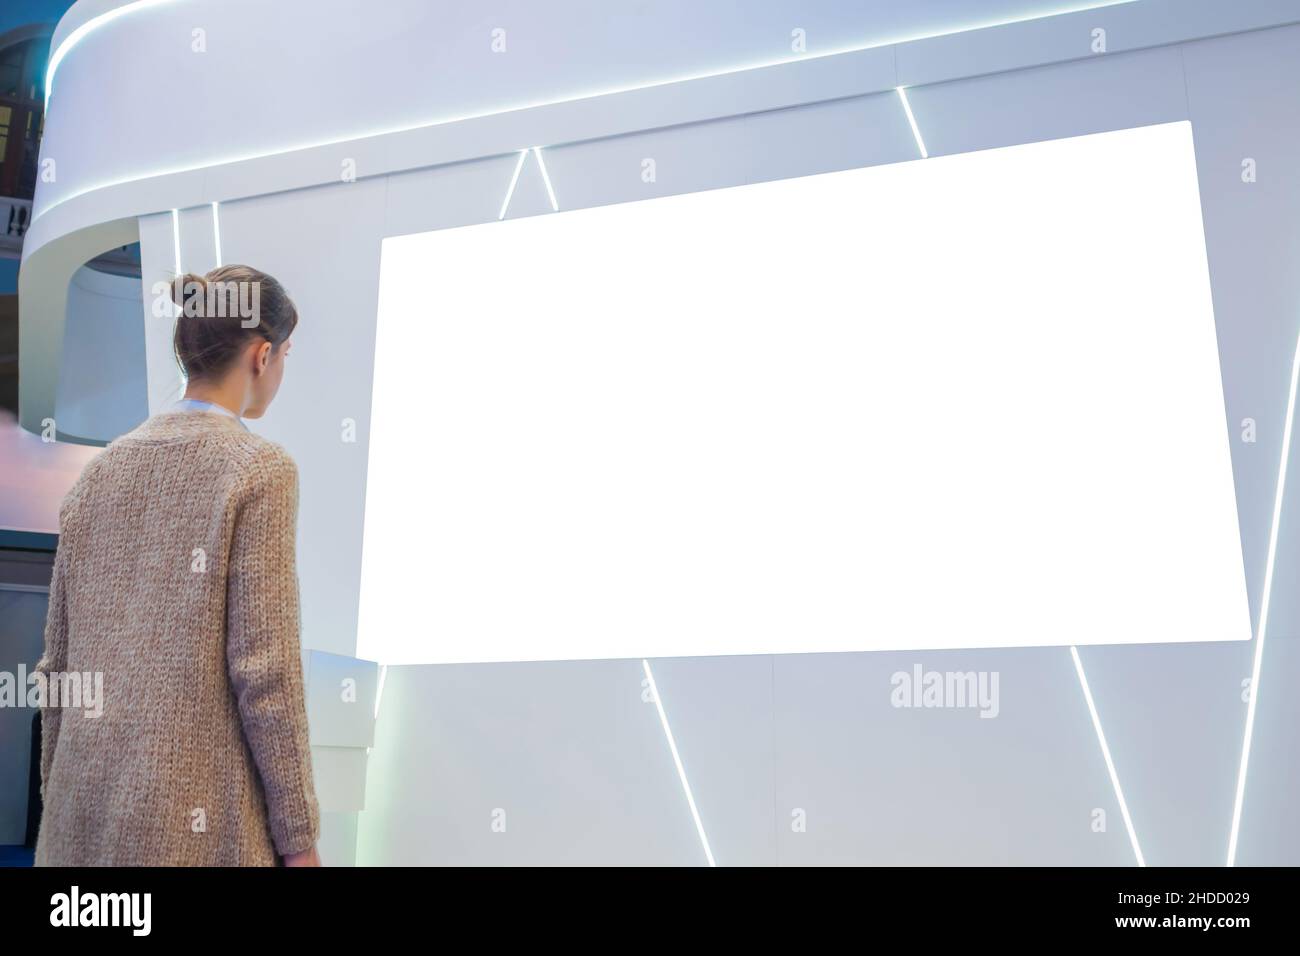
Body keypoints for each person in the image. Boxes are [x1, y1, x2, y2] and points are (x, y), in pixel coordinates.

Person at [34, 264, 321, 866]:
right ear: (263, 355)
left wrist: (58, 805)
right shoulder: (259, 471)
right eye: (287, 354)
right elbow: (266, 675)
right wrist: (300, 844)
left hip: (77, 831)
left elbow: (56, 666)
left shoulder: (96, 476)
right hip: (192, 832)